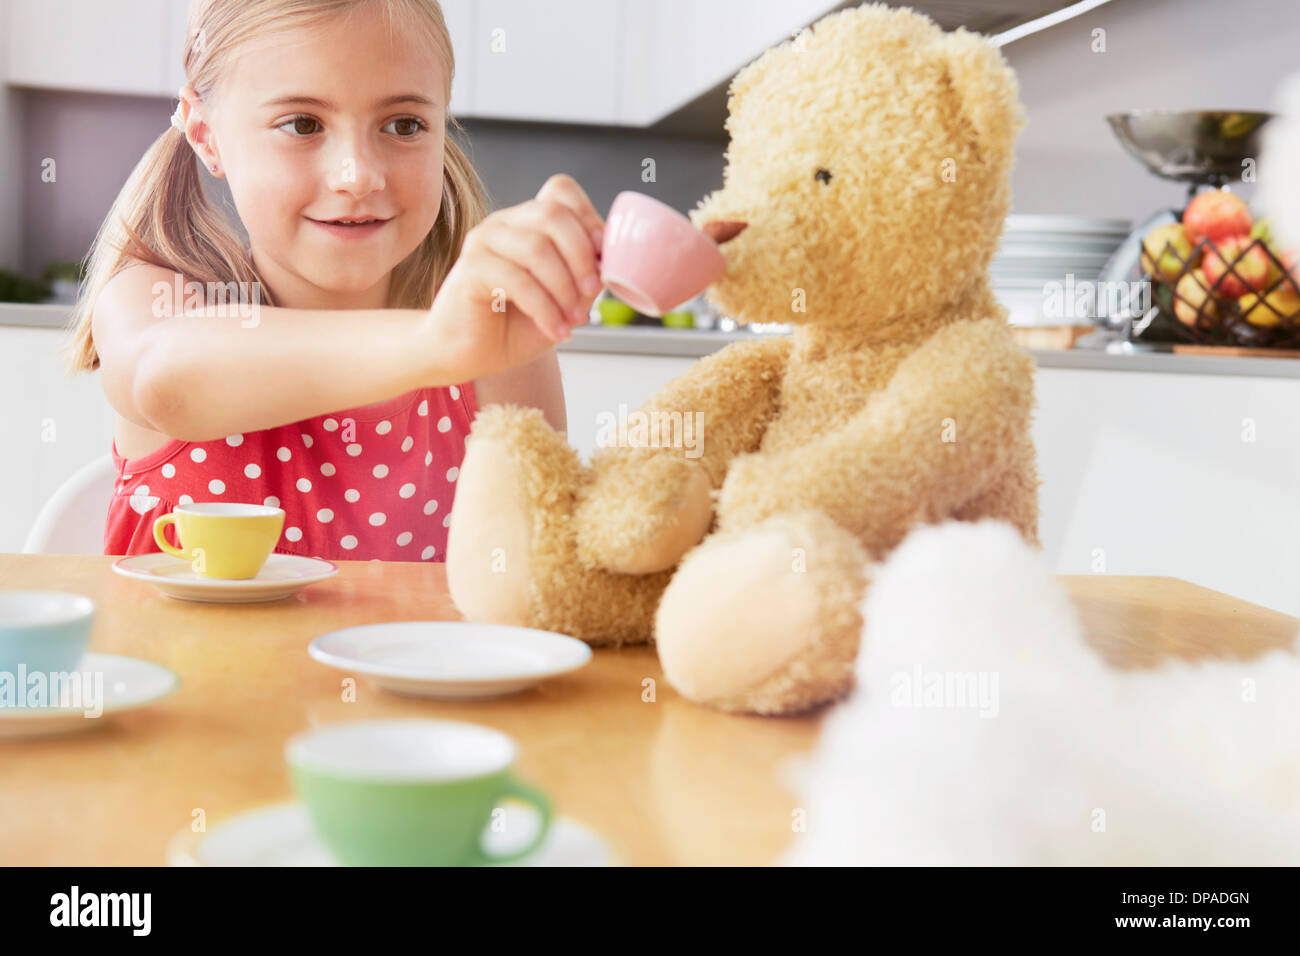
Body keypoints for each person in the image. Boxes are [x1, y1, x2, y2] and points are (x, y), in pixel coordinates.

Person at [59, 0, 604, 563]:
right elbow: (162, 380)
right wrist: (441, 342)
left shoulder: (497, 348)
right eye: (302, 124)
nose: (358, 175)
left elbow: (537, 577)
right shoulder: (154, 297)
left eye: (404, 125)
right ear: (206, 136)